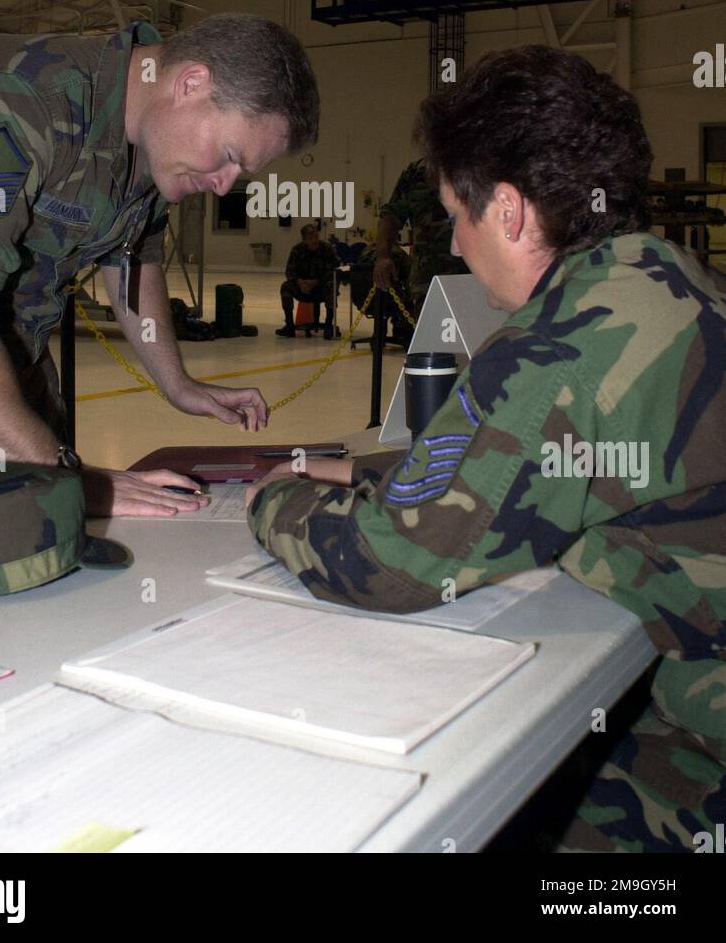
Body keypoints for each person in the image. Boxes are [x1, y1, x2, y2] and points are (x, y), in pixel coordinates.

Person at [246, 45, 726, 854]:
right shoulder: (667, 276)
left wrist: (271, 501)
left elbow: (391, 566)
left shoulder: (557, 348)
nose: (456, 245)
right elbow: (542, 455)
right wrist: (368, 469)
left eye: (455, 216)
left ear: (507, 211)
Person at [0, 13, 319, 552]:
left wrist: (177, 384)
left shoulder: (150, 135)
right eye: (228, 157)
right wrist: (67, 480)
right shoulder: (18, 100)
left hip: (7, 373)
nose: (225, 185)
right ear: (191, 83)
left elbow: (132, 258)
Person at [374, 155, 466, 319]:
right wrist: (382, 256)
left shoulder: (481, 166)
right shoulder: (416, 173)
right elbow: (391, 217)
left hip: (474, 279)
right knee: (430, 333)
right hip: (428, 281)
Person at [276, 223, 338, 339]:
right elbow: (289, 271)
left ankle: (329, 325)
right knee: (286, 287)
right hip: (302, 288)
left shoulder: (327, 249)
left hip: (321, 287)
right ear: (304, 240)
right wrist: (299, 282)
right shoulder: (297, 250)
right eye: (310, 238)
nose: (314, 240)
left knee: (332, 286)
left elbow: (333, 270)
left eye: (316, 237)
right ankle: (289, 325)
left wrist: (316, 282)